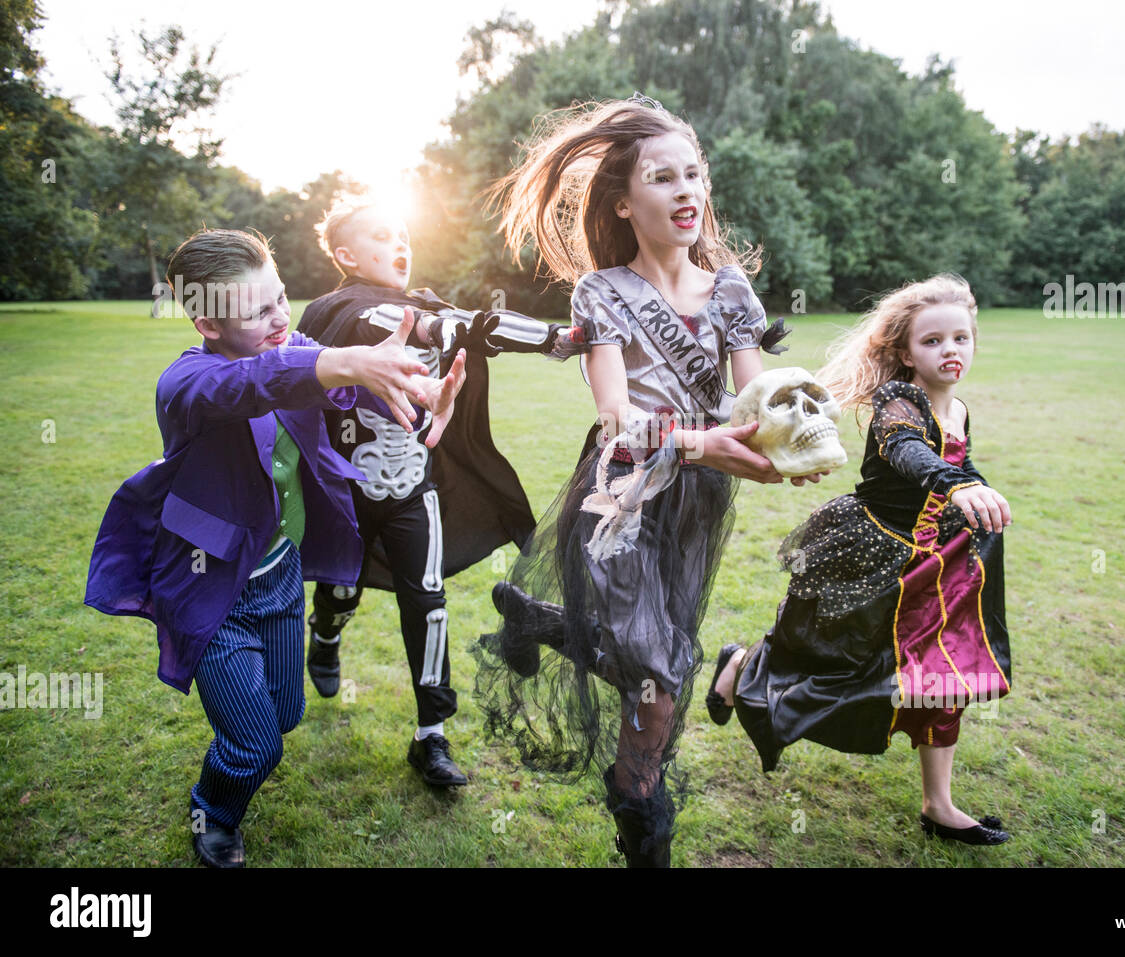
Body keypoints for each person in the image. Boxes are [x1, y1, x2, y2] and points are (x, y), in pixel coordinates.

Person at [473, 95, 801, 866]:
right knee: (658, 667)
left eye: (694, 174)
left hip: (697, 499)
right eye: (663, 177)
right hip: (621, 494)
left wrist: (790, 436)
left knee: (659, 662)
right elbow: (617, 417)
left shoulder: (731, 291)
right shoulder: (603, 291)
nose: (687, 190)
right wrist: (701, 442)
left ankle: (541, 625)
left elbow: (755, 402)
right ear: (624, 202)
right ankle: (644, 817)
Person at [85, 228, 465, 867]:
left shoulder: (291, 347)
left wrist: (419, 400)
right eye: (258, 311)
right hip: (212, 590)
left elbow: (342, 385)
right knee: (258, 745)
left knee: (285, 713)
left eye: (282, 297)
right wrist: (345, 362)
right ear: (208, 323)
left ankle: (250, 731)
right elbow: (256, 384)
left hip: (280, 579)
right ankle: (213, 809)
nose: (281, 318)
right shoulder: (187, 383)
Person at [707, 273, 1016, 846]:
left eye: (961, 338)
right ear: (907, 353)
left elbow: (956, 463)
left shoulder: (959, 408)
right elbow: (907, 450)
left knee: (942, 676)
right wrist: (956, 484)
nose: (950, 350)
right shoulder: (899, 402)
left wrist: (974, 486)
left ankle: (939, 805)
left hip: (934, 566)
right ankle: (742, 667)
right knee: (833, 664)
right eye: (932, 341)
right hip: (872, 553)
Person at [296, 202, 569, 788]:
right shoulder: (346, 313)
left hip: (411, 485)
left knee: (428, 601)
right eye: (381, 235)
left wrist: (557, 338)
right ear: (345, 256)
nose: (400, 243)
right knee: (341, 589)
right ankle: (325, 635)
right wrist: (557, 337)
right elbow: (438, 328)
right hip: (345, 490)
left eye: (403, 233)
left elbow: (452, 325)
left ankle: (431, 735)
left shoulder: (420, 305)